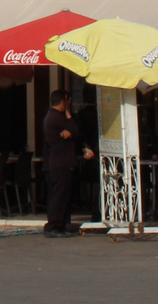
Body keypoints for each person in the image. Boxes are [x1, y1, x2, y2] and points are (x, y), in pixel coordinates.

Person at [41, 89, 93, 238]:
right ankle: (53, 226)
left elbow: (73, 133)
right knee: (59, 195)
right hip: (60, 162)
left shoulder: (54, 116)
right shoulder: (55, 117)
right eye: (67, 102)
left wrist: (71, 132)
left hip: (62, 161)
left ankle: (61, 224)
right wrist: (69, 116)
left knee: (64, 195)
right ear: (63, 101)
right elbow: (76, 130)